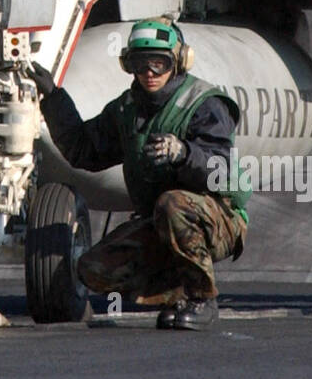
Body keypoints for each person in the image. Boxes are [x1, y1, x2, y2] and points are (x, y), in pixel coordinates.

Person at [30, 19, 247, 330]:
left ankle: (202, 299)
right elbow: (84, 150)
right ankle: (177, 295)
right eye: (140, 63)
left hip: (218, 219)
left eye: (159, 63)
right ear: (127, 65)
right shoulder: (127, 110)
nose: (149, 72)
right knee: (94, 268)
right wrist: (52, 98)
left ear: (179, 62)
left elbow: (220, 170)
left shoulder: (204, 104)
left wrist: (183, 154)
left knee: (173, 205)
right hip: (163, 222)